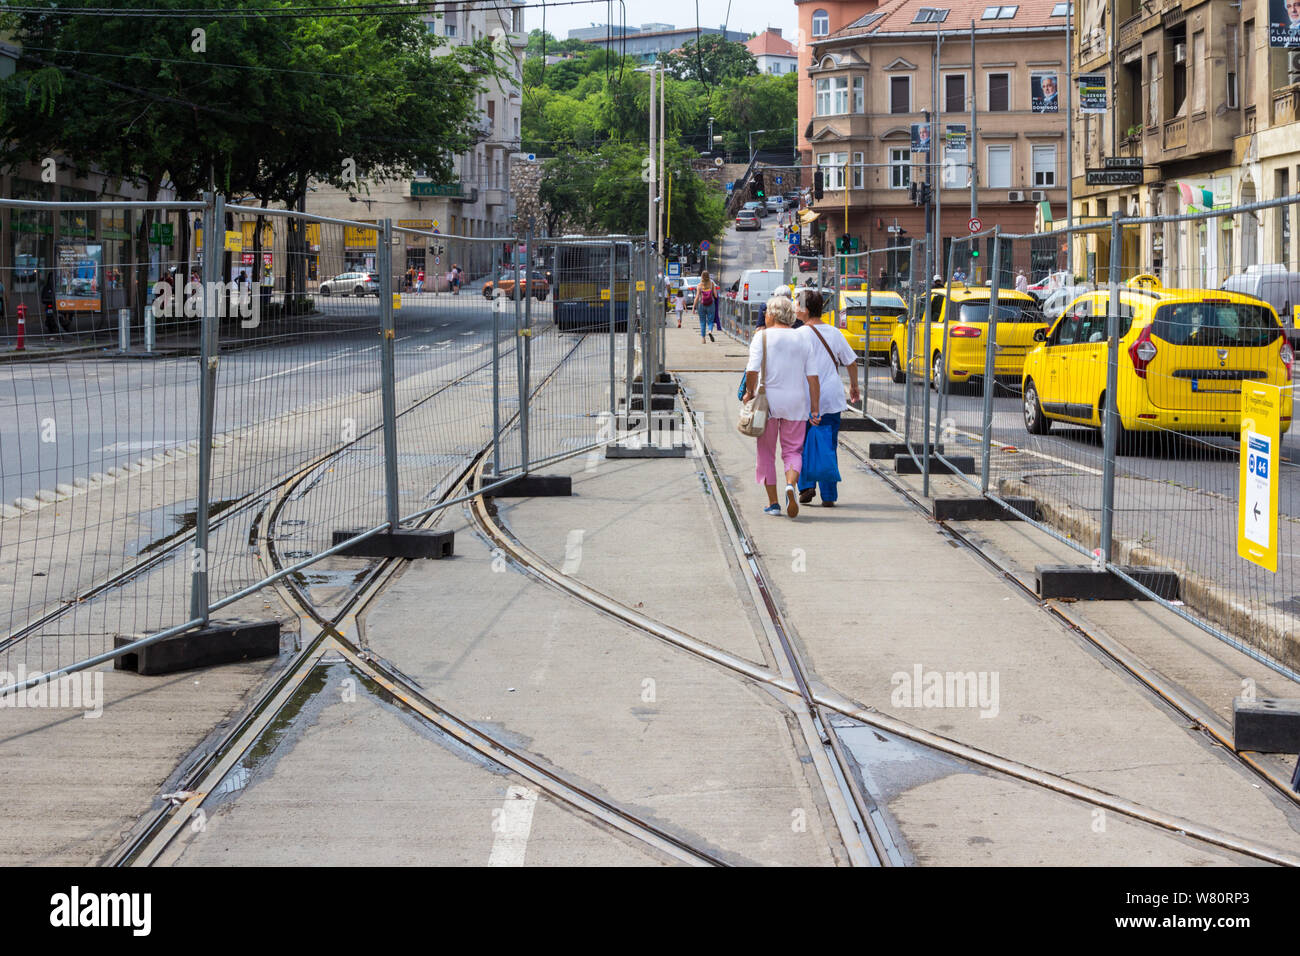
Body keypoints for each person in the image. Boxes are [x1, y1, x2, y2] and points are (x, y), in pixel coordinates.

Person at [743, 295, 821, 519]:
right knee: (793, 451)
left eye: (767, 312)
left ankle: (774, 503)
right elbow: (813, 378)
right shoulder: (802, 339)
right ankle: (790, 485)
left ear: (773, 314)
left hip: (767, 404)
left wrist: (750, 392)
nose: (765, 316)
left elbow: (752, 371)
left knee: (766, 453)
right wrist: (814, 408)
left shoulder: (762, 338)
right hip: (796, 404)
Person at [796, 289, 860, 507]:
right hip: (831, 397)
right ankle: (829, 494)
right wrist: (853, 386)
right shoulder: (834, 333)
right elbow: (851, 362)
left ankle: (805, 486)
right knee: (828, 444)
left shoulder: (799, 335)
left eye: (797, 304)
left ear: (804, 309)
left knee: (802, 443)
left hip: (805, 397)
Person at [693, 270, 719, 342]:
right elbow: (716, 295)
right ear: (708, 276)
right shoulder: (712, 284)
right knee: (710, 321)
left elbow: (697, 297)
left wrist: (693, 307)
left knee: (702, 322)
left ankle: (703, 338)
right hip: (711, 304)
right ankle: (710, 331)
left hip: (702, 305)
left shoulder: (699, 285)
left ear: (702, 277)